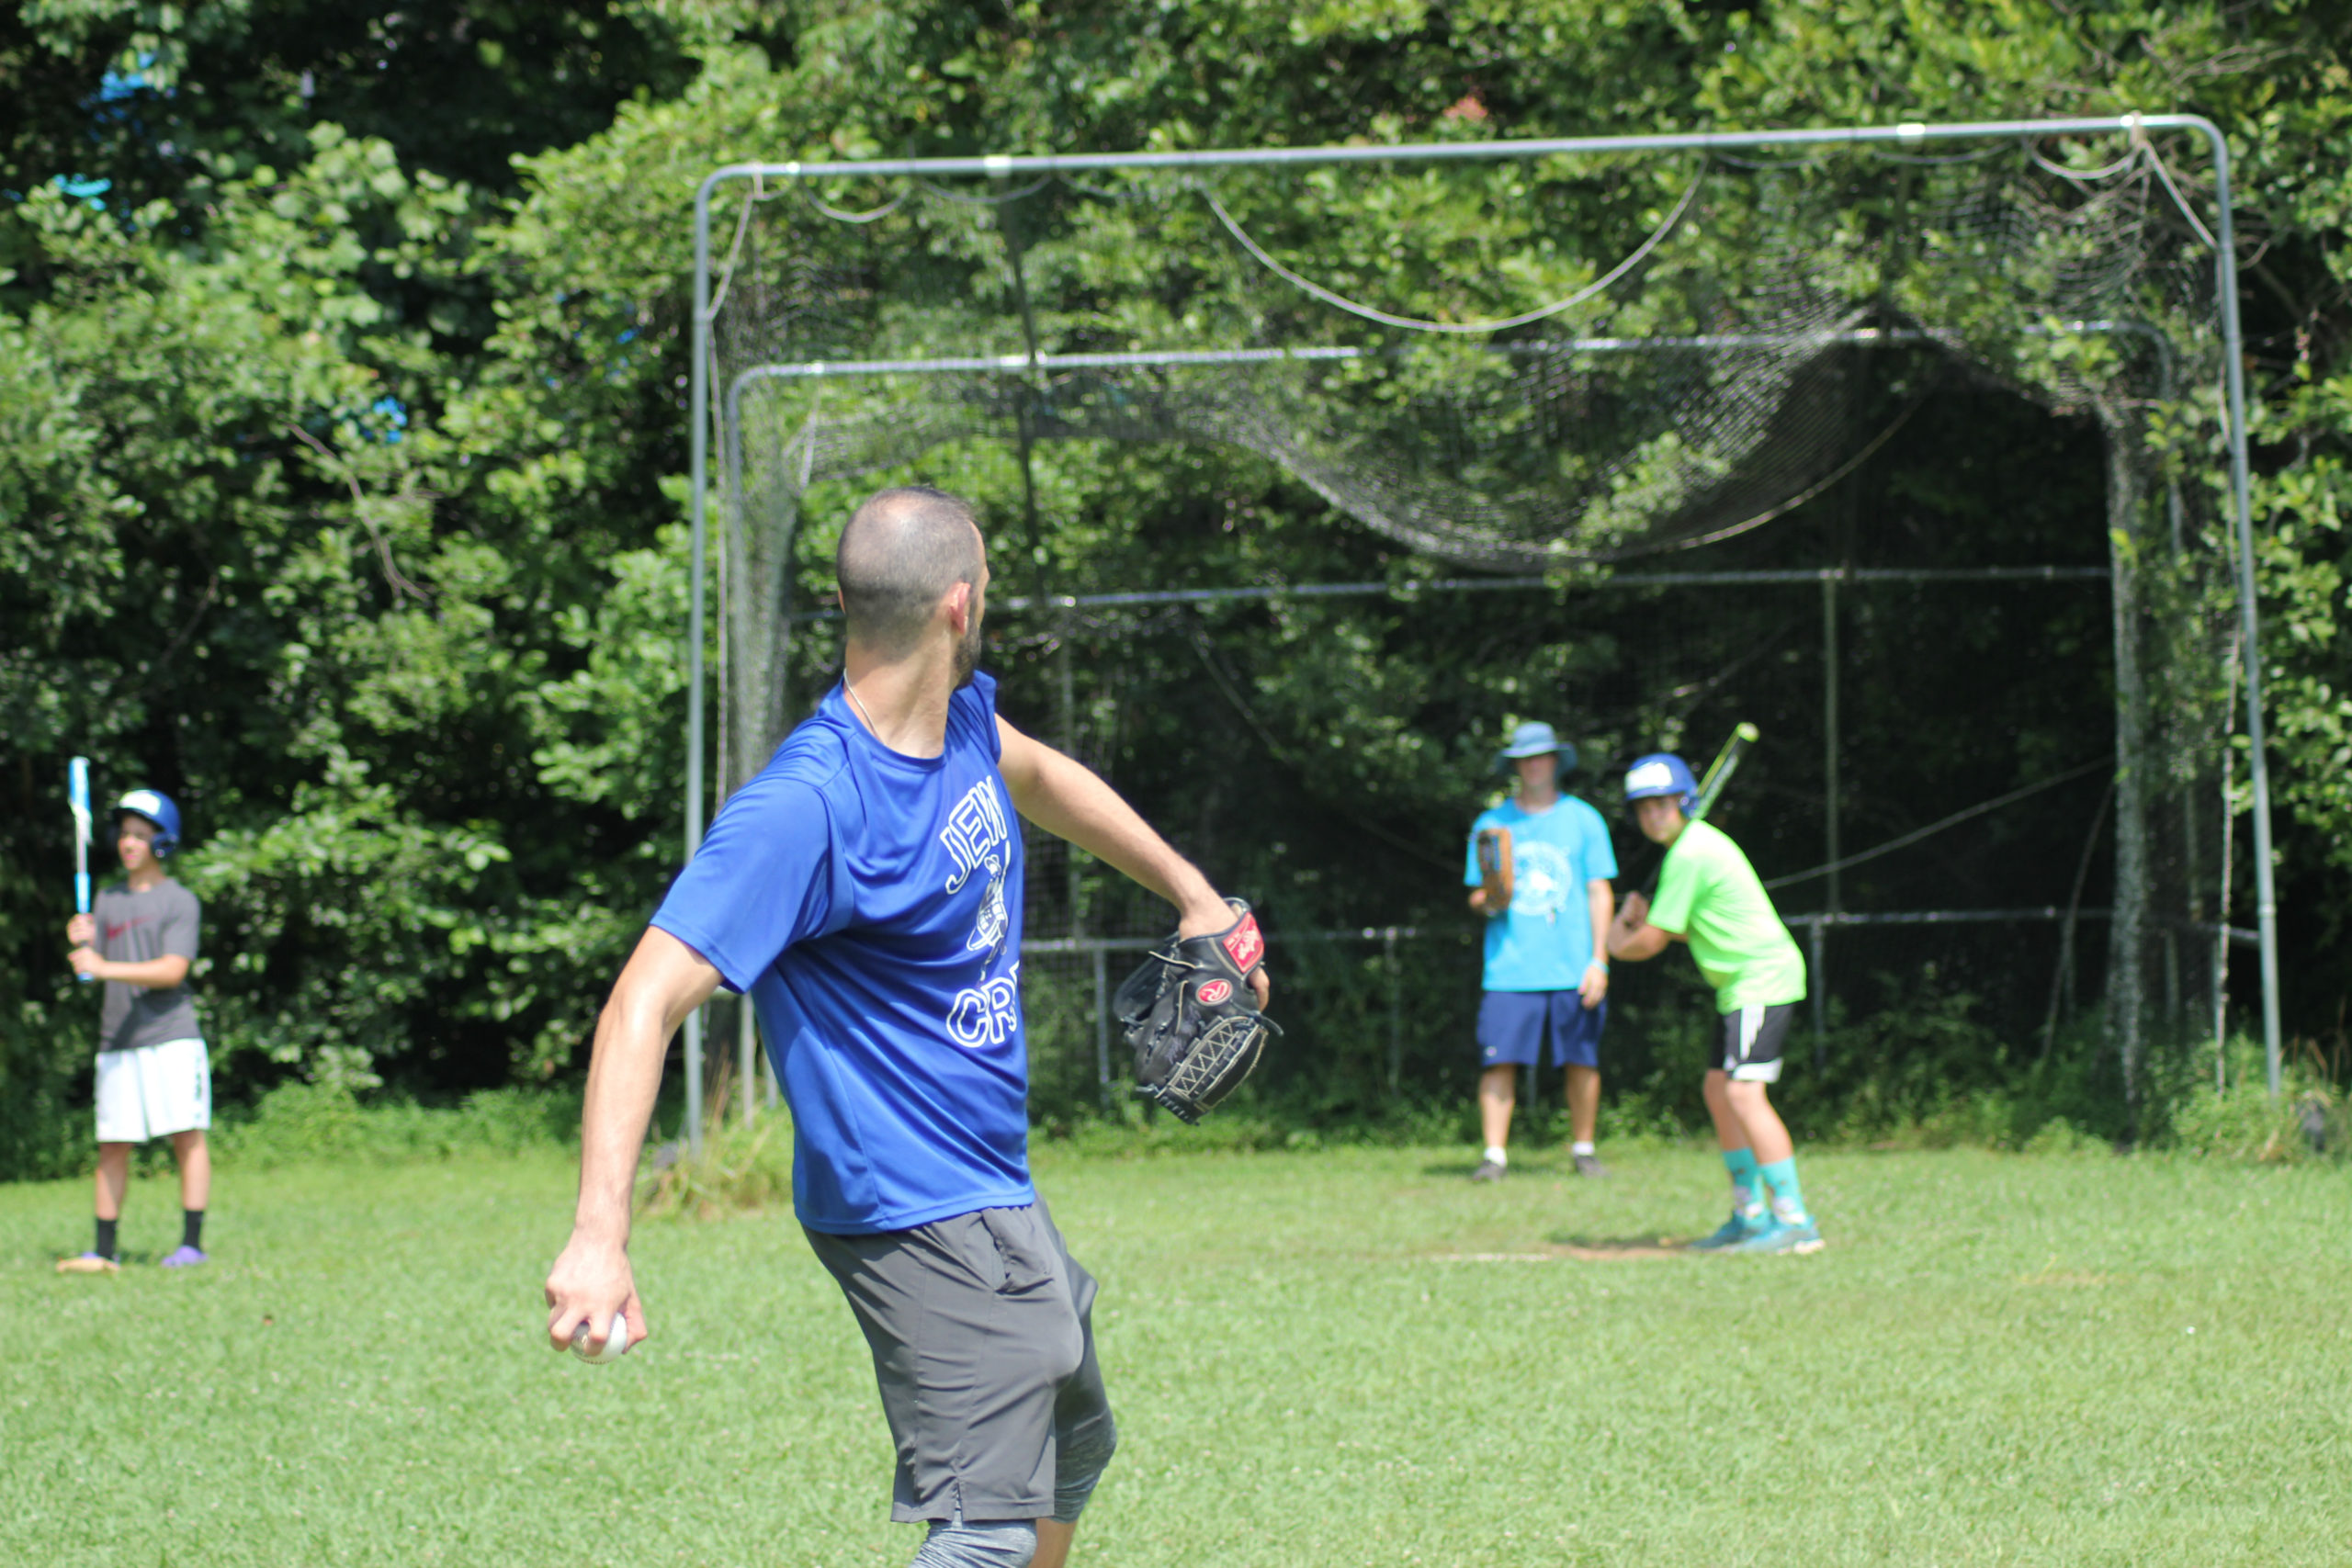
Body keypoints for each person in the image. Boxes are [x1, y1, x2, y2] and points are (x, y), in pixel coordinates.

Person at [544, 486, 1268, 1568]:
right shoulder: (808, 805)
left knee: (1074, 1438)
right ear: (959, 605)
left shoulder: (963, 725)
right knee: (985, 1530)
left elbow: (1041, 776)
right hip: (907, 1199)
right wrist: (599, 1238)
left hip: (987, 1179)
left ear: (850, 602)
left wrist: (1194, 897)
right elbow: (639, 1001)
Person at [1605, 752, 1821, 1255]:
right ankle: (1749, 1215)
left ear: (1684, 802)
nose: (1653, 815)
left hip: (1761, 978)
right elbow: (1688, 927)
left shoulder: (1690, 854)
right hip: (1739, 984)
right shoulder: (1691, 849)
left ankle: (1794, 1220)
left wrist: (1617, 937)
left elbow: (1651, 942)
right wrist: (1642, 917)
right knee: (1718, 1090)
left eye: (1662, 804)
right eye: (1643, 808)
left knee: (1743, 1094)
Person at [58, 789, 212, 1274]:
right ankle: (105, 1251)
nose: (129, 843)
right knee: (112, 1145)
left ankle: (191, 1246)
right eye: (125, 833)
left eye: (141, 835)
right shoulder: (107, 899)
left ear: (162, 842)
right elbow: (93, 963)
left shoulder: (179, 901)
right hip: (117, 1039)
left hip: (171, 1034)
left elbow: (172, 970)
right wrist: (83, 941)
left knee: (186, 1137)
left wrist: (102, 966)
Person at [1464, 721, 1617, 1182]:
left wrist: (1599, 960)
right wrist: (1492, 899)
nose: (1533, 765)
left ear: (1555, 761)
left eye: (1540, 756)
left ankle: (1584, 1150)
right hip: (1510, 968)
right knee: (1498, 1061)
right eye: (1524, 759)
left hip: (1574, 967)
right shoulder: (1491, 825)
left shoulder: (1584, 819)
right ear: (1515, 766)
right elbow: (1477, 896)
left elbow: (1599, 891)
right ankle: (1494, 1156)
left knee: (1582, 1060)